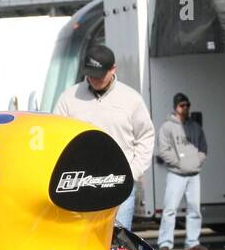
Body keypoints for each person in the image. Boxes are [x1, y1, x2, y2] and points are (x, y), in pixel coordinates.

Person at [51, 41, 154, 230]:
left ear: (113, 69)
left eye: (99, 76)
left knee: (117, 239)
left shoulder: (131, 99)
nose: (94, 80)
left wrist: (133, 172)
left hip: (119, 181)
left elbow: (145, 136)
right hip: (80, 183)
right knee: (82, 241)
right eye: (90, 75)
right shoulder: (68, 98)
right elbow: (56, 137)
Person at [155, 92, 207, 250]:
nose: (185, 108)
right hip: (176, 174)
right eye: (181, 105)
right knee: (170, 209)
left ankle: (192, 242)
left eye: (187, 105)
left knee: (194, 209)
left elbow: (203, 147)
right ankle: (165, 243)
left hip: (194, 174)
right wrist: (179, 163)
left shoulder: (195, 127)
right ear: (175, 107)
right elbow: (164, 150)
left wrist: (197, 160)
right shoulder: (167, 127)